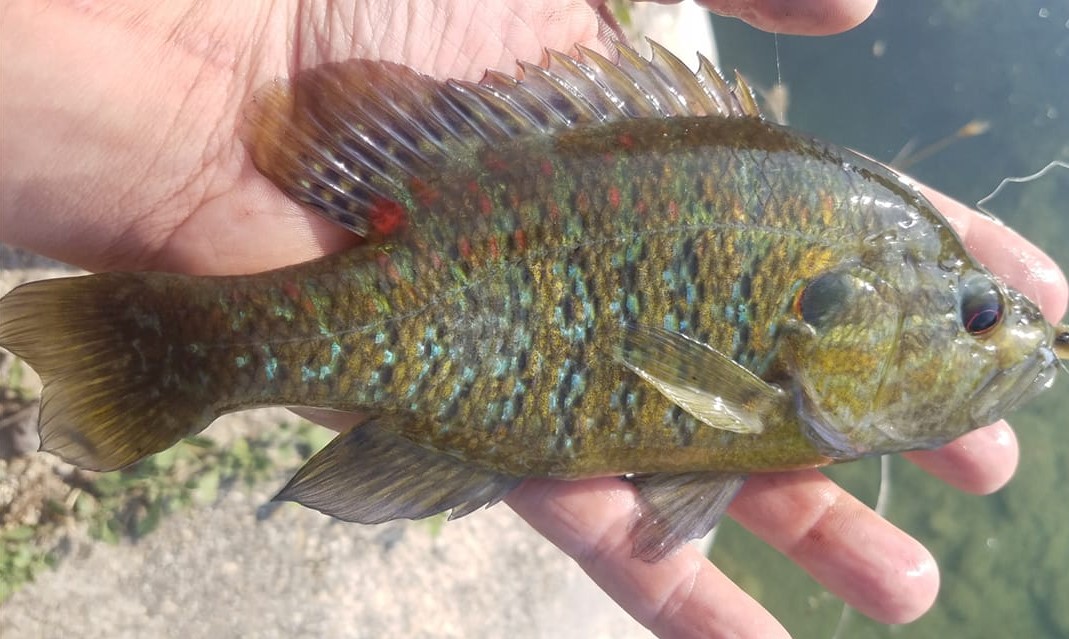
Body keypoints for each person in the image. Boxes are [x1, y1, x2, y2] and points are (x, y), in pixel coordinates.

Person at [0, 1, 1065, 637]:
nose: (999, 334)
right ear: (835, 315)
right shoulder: (790, 341)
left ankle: (164, 354)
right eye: (974, 316)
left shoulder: (809, 311)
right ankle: (179, 352)